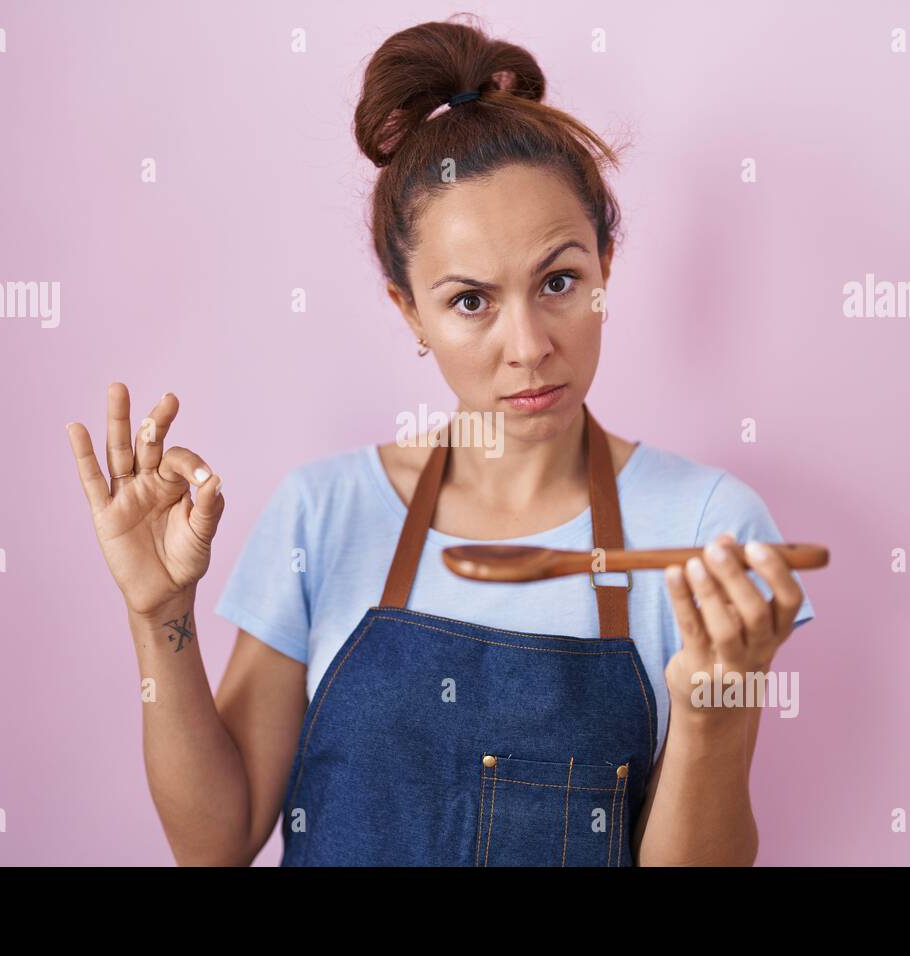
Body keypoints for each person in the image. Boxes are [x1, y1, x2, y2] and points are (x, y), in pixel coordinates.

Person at [65, 17, 815, 867]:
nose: (528, 344)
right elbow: (214, 843)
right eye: (470, 301)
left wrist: (715, 715)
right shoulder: (322, 513)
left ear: (606, 267)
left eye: (560, 281)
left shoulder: (708, 528)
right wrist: (159, 614)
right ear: (407, 311)